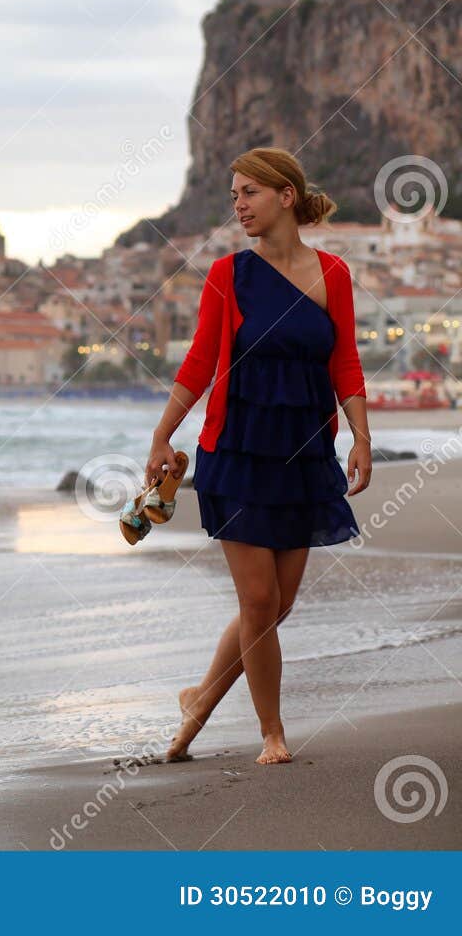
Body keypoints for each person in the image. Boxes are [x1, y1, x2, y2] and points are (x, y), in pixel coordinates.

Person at [145, 147, 372, 765]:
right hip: (237, 451)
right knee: (258, 601)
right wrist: (163, 435)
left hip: (303, 455)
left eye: (249, 193)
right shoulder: (228, 275)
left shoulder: (333, 275)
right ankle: (271, 732)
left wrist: (361, 435)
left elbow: (344, 361)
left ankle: (198, 699)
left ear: (286, 197)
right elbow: (199, 362)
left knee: (278, 604)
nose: (238, 205)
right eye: (234, 195)